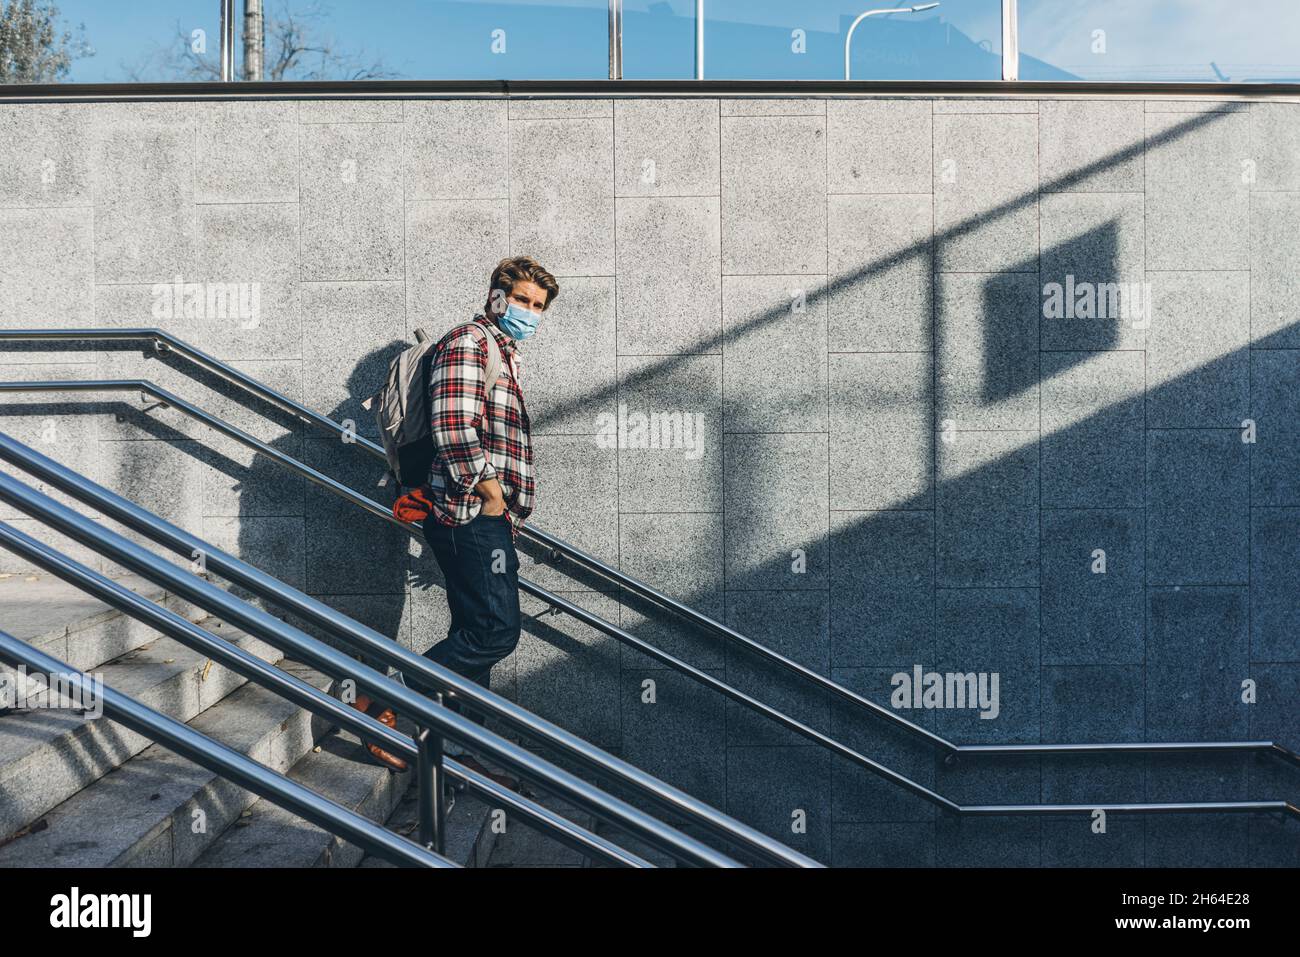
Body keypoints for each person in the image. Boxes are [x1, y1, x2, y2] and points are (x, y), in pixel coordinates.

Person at [357, 256, 556, 788]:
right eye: (521, 301)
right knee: (494, 632)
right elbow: (454, 426)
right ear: (497, 296)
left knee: (473, 630)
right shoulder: (470, 343)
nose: (529, 313)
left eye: (538, 307)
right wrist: (491, 496)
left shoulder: (502, 353)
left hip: (480, 514)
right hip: (468, 509)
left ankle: (457, 746)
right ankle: (385, 700)